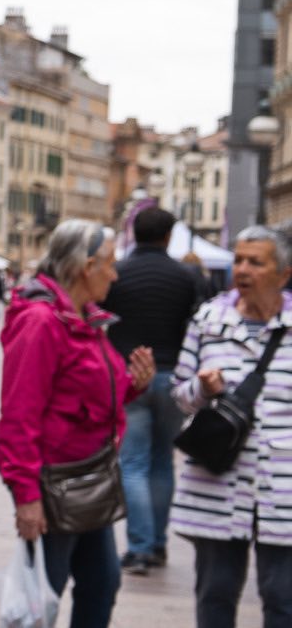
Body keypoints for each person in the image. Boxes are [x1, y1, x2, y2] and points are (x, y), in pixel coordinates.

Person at [0, 221, 155, 628]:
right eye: (109, 261)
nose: (115, 271)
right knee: (41, 592)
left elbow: (82, 399)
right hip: (54, 481)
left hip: (90, 483)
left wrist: (130, 387)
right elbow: (18, 415)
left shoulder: (83, 318)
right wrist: (26, 495)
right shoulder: (42, 321)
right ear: (86, 268)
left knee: (102, 583)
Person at [170, 226, 292, 628]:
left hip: (283, 484)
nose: (242, 270)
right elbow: (179, 393)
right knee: (215, 589)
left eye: (256, 262)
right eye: (239, 260)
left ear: (283, 273)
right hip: (218, 481)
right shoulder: (208, 320)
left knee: (282, 593)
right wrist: (199, 388)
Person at [100, 206, 203, 573]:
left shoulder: (118, 273)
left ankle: (140, 546)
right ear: (168, 236)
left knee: (133, 462)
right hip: (173, 375)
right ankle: (158, 544)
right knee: (162, 461)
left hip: (128, 376)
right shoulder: (186, 276)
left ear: (133, 232)